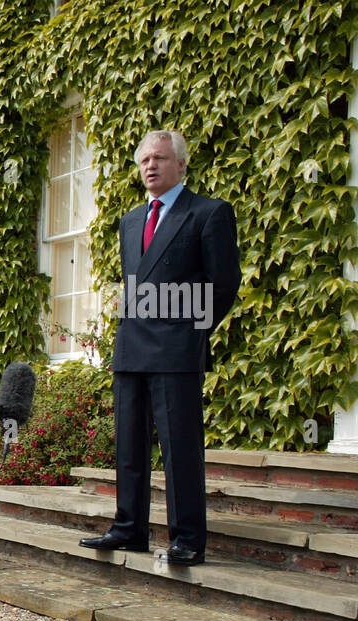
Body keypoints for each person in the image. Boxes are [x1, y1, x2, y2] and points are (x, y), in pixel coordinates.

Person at [80, 130, 240, 566]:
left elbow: (224, 285)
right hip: (131, 347)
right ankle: (128, 528)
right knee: (129, 445)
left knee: (179, 447)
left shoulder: (208, 213)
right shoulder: (131, 221)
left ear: (182, 165)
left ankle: (187, 538)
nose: (151, 165)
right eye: (145, 159)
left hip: (177, 349)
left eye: (161, 158)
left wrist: (191, 331)